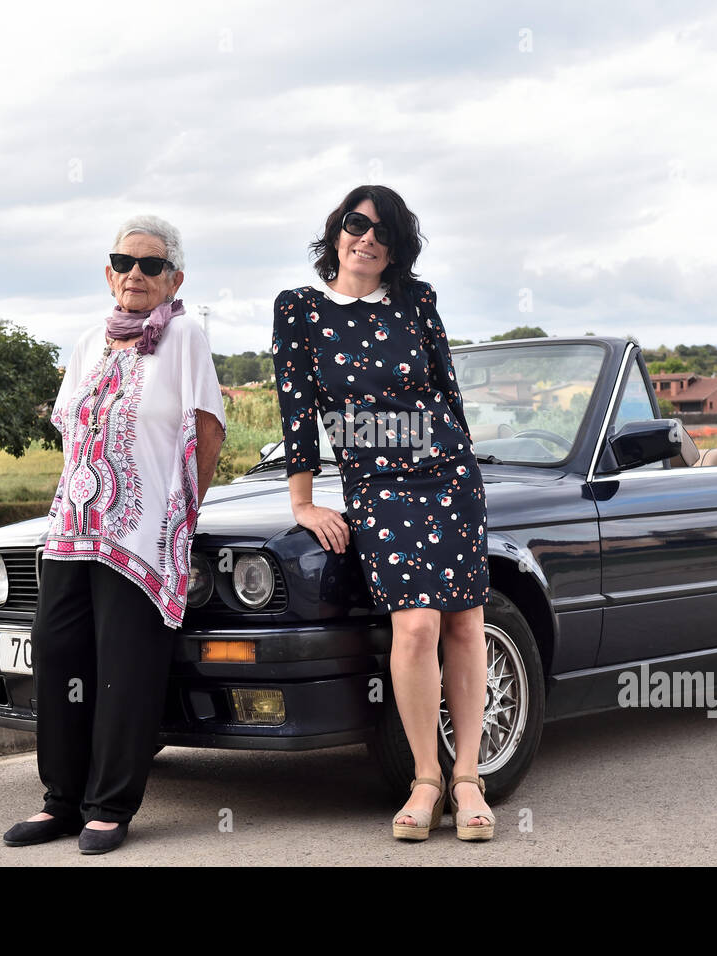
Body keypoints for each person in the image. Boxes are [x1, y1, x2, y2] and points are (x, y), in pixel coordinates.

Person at [271, 185, 496, 841]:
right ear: (335, 232)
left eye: (383, 232)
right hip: (378, 484)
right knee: (418, 625)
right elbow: (297, 412)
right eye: (355, 224)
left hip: (449, 475)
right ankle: (427, 777)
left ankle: (469, 780)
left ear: (396, 249)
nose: (366, 238)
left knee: (464, 623)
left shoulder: (417, 302)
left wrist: (467, 468)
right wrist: (303, 501)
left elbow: (446, 391)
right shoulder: (301, 310)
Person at [2, 215, 227, 854]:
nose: (136, 275)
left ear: (174, 278)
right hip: (73, 530)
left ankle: (109, 805)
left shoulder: (183, 336)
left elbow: (206, 427)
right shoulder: (88, 341)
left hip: (141, 535)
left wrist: (181, 514)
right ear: (108, 274)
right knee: (58, 652)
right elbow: (71, 429)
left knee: (124, 668)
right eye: (124, 263)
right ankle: (60, 802)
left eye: (151, 265)